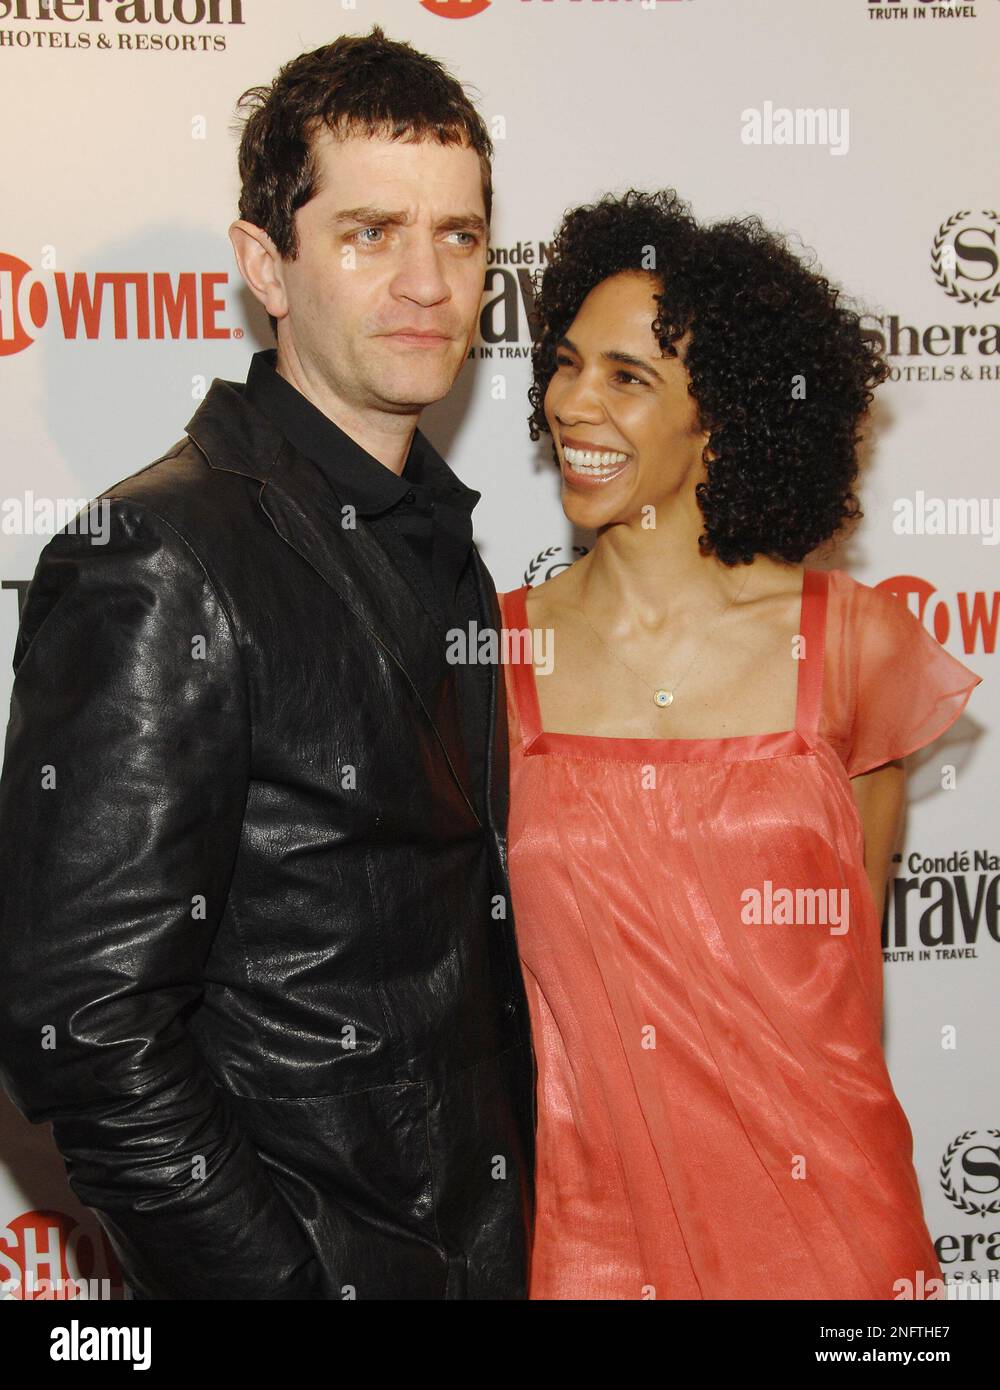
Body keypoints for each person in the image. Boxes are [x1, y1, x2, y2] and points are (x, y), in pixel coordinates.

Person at [0, 27, 534, 1301]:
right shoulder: (161, 556)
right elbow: (87, 1033)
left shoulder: (442, 543)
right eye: (369, 233)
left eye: (458, 237)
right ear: (266, 267)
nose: (425, 283)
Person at [498, 189, 981, 1300]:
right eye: (567, 364)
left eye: (629, 377)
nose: (575, 402)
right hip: (592, 1248)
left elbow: (845, 977)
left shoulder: (854, 647)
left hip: (838, 1241)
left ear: (722, 416)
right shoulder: (493, 656)